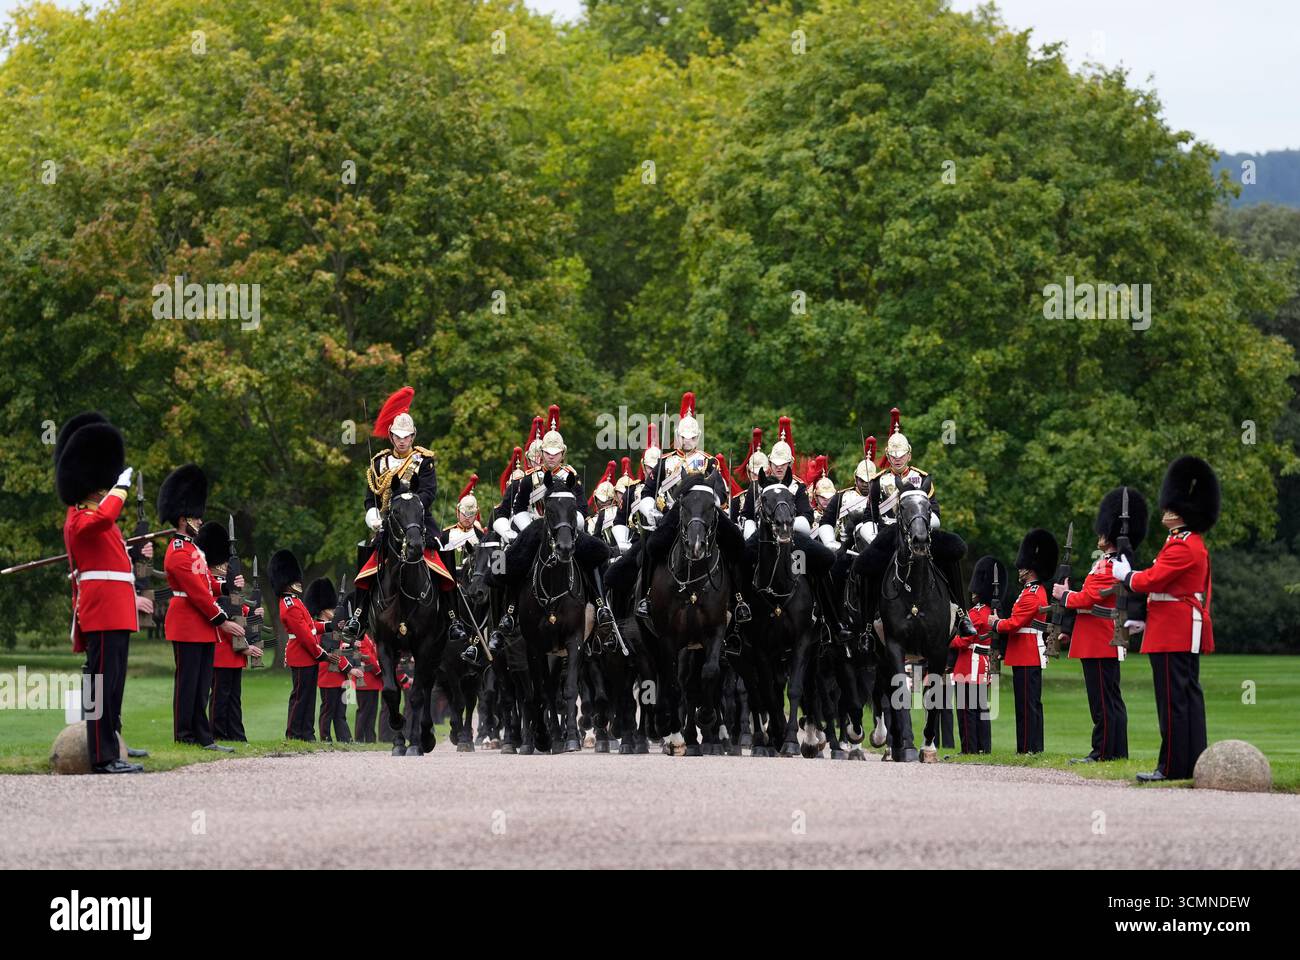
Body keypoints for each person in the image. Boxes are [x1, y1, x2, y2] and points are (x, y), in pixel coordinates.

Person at [1112, 456, 1219, 782]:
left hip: (1174, 629)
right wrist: (1142, 617)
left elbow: (1153, 581)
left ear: (1182, 511)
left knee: (1173, 700)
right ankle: (1189, 763)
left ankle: (1171, 767)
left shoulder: (1183, 546)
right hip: (1172, 625)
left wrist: (1127, 575)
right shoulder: (1183, 543)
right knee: (1186, 698)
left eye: (1170, 507)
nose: (1164, 511)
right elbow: (1165, 587)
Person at [56, 413, 149, 773]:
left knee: (112, 688)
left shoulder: (97, 518)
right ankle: (102, 756)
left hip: (116, 609)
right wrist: (121, 489)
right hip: (101, 610)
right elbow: (103, 519)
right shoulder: (80, 518)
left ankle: (113, 747)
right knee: (100, 687)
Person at [635, 392, 750, 623]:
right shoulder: (664, 462)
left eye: (692, 438)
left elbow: (721, 493)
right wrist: (650, 510)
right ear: (677, 436)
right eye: (684, 437)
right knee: (651, 546)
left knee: (734, 543)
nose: (687, 441)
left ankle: (738, 599)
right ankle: (647, 596)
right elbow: (647, 492)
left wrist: (711, 503)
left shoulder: (709, 462)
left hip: (703, 516)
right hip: (671, 516)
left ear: (698, 437)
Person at [1056, 486, 1149, 763]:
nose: (1099, 534)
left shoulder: (1113, 565)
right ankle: (1114, 751)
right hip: (1093, 637)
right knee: (1106, 699)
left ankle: (1104, 752)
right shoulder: (1105, 563)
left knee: (1103, 701)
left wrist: (1065, 595)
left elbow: (1090, 597)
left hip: (1100, 639)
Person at [864, 408, 975, 637]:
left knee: (951, 554)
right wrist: (869, 532)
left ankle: (962, 613)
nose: (897, 458)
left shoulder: (922, 478)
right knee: (867, 565)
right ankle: (867, 622)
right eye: (893, 455)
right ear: (887, 454)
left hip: (919, 533)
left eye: (901, 454)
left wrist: (923, 525)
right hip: (889, 536)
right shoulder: (876, 482)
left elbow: (934, 509)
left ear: (909, 455)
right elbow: (870, 516)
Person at [158, 465, 240, 752]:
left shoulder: (193, 549)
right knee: (188, 683)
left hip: (200, 626)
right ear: (183, 519)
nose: (200, 520)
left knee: (202, 683)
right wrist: (222, 620)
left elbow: (205, 583)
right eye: (195, 516)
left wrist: (225, 588)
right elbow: (196, 593)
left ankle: (203, 736)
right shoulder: (178, 551)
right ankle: (185, 734)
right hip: (188, 623)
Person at [353, 386, 438, 635]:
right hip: (387, 524)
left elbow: (428, 492)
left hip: (417, 521)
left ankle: (452, 616)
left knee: (442, 555)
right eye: (398, 436)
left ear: (413, 437)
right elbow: (370, 499)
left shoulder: (424, 460)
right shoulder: (379, 462)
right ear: (391, 436)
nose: (402, 441)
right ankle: (359, 615)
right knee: (366, 556)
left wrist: (410, 510)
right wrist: (374, 518)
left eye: (407, 436)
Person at [991, 528, 1057, 754]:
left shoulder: (1032, 594)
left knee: (1028, 705)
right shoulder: (1031, 591)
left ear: (1030, 570)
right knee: (1025, 704)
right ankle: (1027, 746)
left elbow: (1014, 624)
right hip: (1023, 653)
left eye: (1023, 566)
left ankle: (1031, 748)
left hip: (1028, 653)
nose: (1019, 569)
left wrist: (994, 623)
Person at [198, 522, 262, 742]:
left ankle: (236, 734)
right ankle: (218, 733)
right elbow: (222, 614)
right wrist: (244, 646)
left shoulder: (224, 583)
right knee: (220, 696)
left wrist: (252, 610)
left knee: (234, 696)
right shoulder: (211, 584)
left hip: (234, 650)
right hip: (222, 648)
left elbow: (236, 608)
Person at [274, 549, 329, 741]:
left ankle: (307, 732)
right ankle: (294, 733)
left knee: (308, 697)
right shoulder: (289, 604)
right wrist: (319, 652)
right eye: (295, 580)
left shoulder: (296, 601)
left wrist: (328, 626)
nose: (299, 583)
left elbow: (311, 626)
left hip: (308, 655)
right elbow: (304, 635)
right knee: (300, 698)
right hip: (302, 654)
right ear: (286, 582)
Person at [953, 555, 1001, 754]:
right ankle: (983, 748)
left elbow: (964, 640)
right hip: (982, 664)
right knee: (981, 709)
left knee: (966, 710)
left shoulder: (976, 613)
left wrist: (946, 641)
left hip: (969, 664)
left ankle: (969, 749)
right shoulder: (990, 611)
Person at [306, 578, 356, 743]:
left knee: (340, 711)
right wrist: (350, 668)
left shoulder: (332, 627)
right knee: (328, 710)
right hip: (328, 676)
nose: (333, 611)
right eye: (330, 609)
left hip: (339, 676)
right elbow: (333, 653)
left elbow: (342, 648)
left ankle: (345, 738)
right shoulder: (319, 627)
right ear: (322, 611)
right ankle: (325, 737)